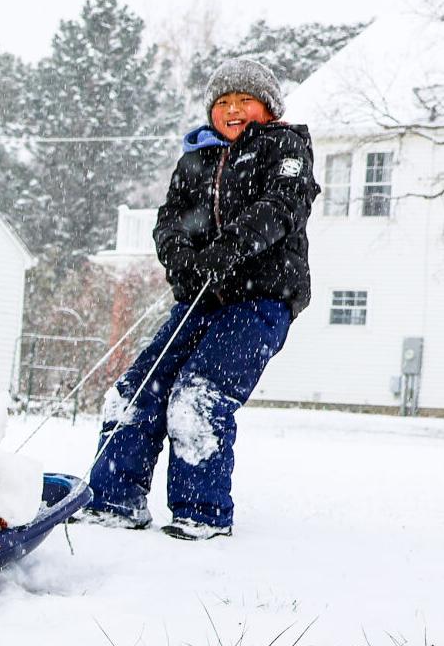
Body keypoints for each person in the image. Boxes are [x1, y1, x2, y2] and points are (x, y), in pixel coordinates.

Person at [80, 58, 318, 541]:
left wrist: (227, 251)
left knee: (197, 394)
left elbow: (279, 209)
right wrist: (181, 259)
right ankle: (115, 500)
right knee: (135, 391)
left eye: (244, 101)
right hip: (201, 299)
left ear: (268, 107)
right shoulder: (197, 158)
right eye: (222, 102)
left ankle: (201, 513)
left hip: (261, 300)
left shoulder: (284, 148)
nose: (232, 110)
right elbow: (170, 220)